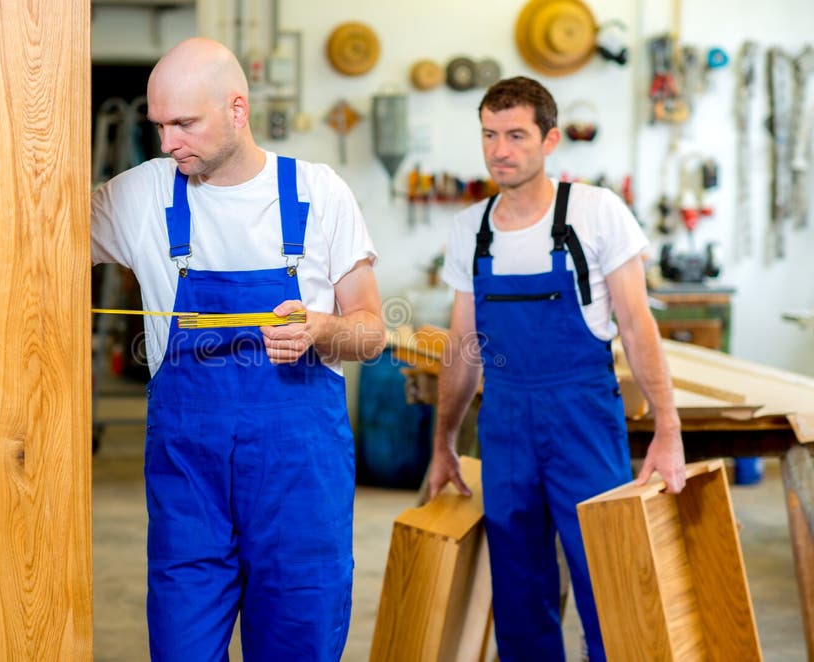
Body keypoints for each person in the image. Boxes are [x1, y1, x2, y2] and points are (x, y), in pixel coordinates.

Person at [91, 37, 385, 661]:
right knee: (182, 646)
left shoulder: (318, 192)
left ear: (237, 109)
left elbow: (371, 330)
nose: (168, 143)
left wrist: (321, 329)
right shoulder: (139, 195)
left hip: (298, 480)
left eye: (184, 123)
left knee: (297, 642)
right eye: (159, 126)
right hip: (188, 481)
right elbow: (31, 235)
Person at [427, 76, 686, 662]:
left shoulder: (595, 212)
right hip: (505, 423)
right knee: (519, 586)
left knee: (606, 570)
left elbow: (638, 325)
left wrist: (668, 429)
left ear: (550, 140)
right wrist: (444, 441)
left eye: (516, 135)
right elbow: (464, 344)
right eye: (489, 135)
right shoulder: (470, 230)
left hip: (581, 417)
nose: (500, 150)